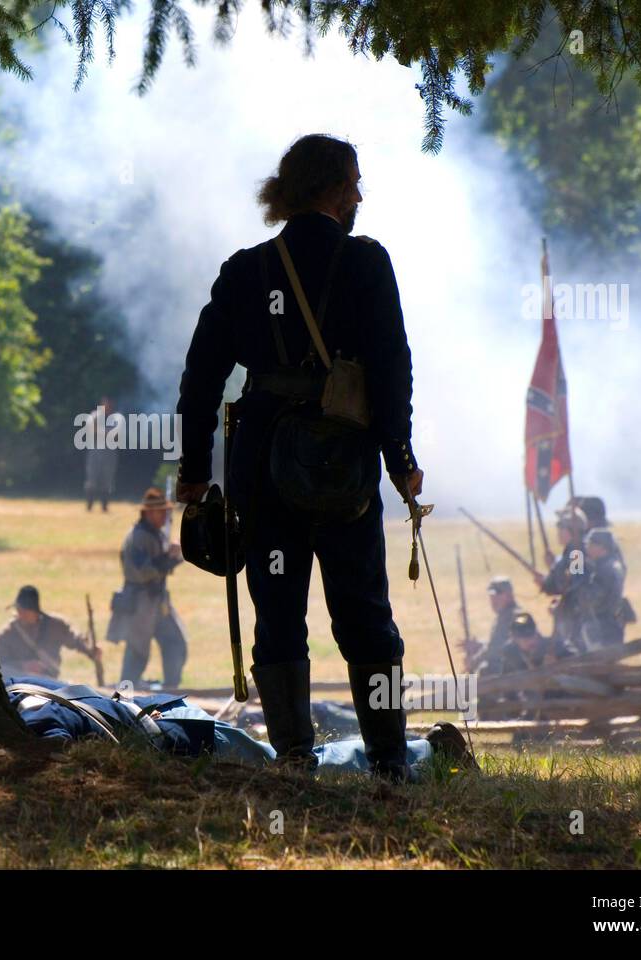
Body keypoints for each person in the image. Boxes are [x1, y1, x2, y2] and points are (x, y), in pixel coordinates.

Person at [174, 134, 422, 780]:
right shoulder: (368, 265)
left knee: (278, 613)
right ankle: (391, 764)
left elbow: (201, 378)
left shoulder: (245, 271)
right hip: (346, 470)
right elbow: (393, 371)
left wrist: (195, 474)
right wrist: (400, 457)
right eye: (354, 182)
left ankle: (292, 762)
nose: (360, 195)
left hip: (263, 470)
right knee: (367, 618)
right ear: (333, 189)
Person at [3, 673, 475, 774]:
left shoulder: (23, 707)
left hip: (173, 733)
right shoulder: (18, 683)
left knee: (286, 767)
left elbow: (55, 746)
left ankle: (428, 752)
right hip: (162, 719)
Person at [108, 487, 188, 689]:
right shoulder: (138, 537)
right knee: (137, 653)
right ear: (149, 512)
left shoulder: (155, 534)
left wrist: (174, 554)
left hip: (158, 602)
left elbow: (160, 565)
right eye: (162, 511)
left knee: (175, 643)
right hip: (141, 605)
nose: (165, 515)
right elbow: (144, 570)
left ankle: (171, 688)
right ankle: (124, 693)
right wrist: (170, 557)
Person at [0, 585, 102, 680]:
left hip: (50, 683)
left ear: (34, 611)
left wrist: (91, 650)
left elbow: (76, 639)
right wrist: (22, 666)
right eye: (19, 610)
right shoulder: (7, 634)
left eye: (24, 611)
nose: (20, 614)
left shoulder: (55, 626)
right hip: (20, 684)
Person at [535, 507, 588, 651]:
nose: (558, 532)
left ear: (571, 530)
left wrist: (561, 605)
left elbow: (576, 587)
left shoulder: (577, 552)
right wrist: (546, 581)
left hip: (575, 622)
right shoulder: (570, 552)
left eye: (561, 527)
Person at [575, 528, 630, 650]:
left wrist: (577, 573)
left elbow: (589, 598)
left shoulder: (604, 570)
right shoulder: (612, 564)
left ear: (600, 547)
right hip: (612, 625)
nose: (587, 548)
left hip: (601, 628)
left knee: (599, 665)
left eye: (590, 544)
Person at [466, 576, 520, 674]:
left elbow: (495, 648)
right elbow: (499, 642)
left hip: (509, 673)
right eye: (492, 596)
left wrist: (474, 661)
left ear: (509, 595)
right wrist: (480, 645)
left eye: (498, 595)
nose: (494, 599)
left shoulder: (511, 616)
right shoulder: (505, 615)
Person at [83, 396, 121, 512]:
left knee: (107, 480)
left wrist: (100, 431)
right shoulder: (95, 415)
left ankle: (104, 507)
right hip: (95, 452)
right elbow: (89, 428)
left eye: (109, 403)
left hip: (109, 453)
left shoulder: (116, 418)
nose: (107, 406)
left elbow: (115, 434)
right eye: (105, 403)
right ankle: (89, 506)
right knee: (92, 479)